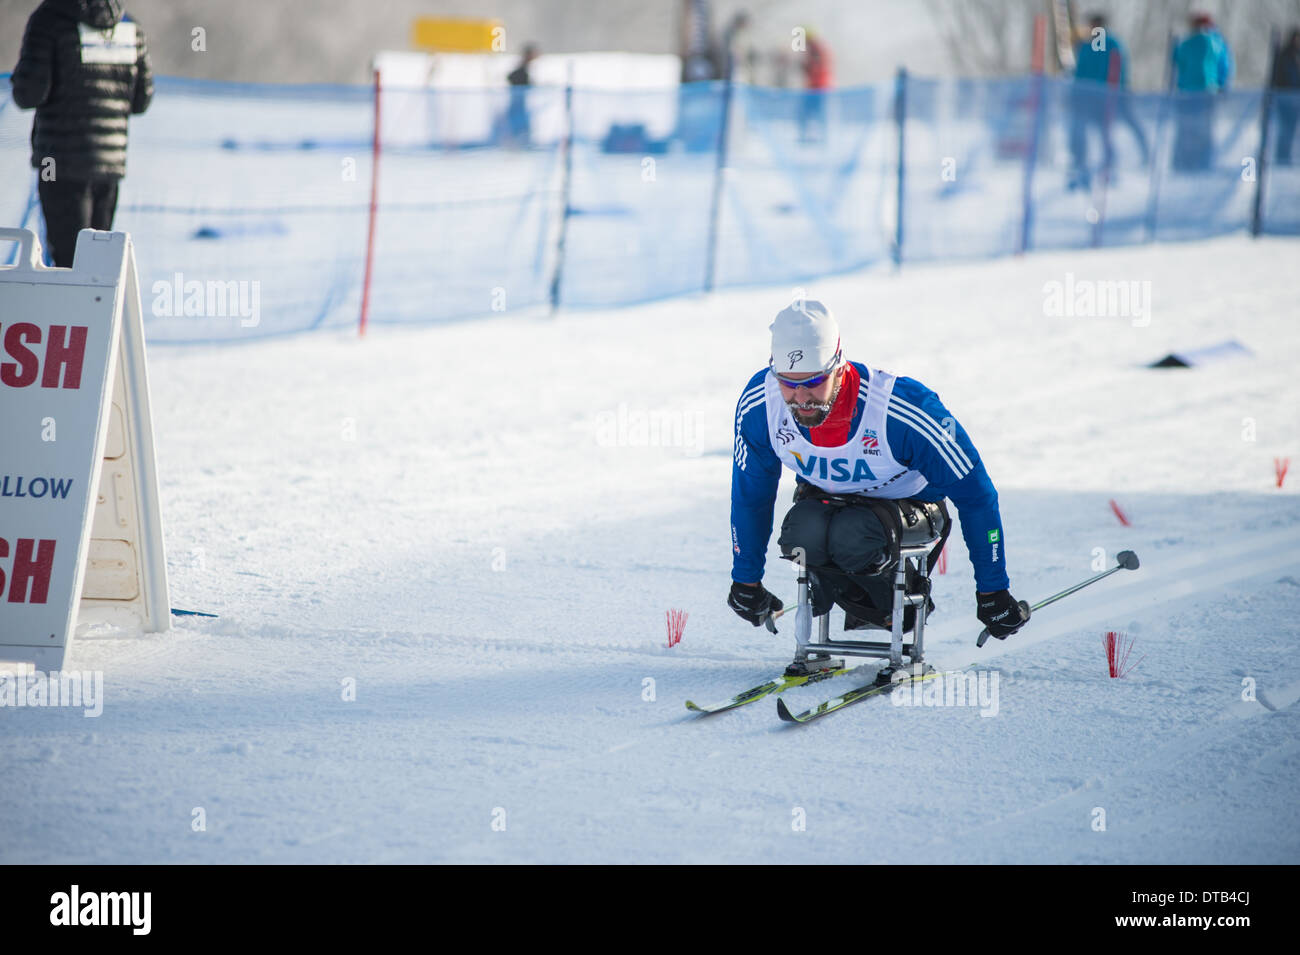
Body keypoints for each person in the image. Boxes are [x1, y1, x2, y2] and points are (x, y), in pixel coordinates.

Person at [727, 301, 1028, 666]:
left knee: (853, 534)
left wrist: (993, 590)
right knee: (800, 532)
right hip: (828, 505)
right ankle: (834, 621)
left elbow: (977, 496)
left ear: (838, 366)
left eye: (813, 383)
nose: (800, 398)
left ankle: (897, 610)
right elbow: (751, 497)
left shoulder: (902, 409)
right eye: (788, 384)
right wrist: (746, 581)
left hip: (912, 505)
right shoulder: (762, 404)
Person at [10, 0, 153, 268]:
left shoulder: (49, 19)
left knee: (67, 265)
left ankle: (65, 310)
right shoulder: (128, 25)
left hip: (58, 165)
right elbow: (141, 101)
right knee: (97, 265)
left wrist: (18, 78)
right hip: (109, 166)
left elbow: (29, 94)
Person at [1068, 14, 1149, 190]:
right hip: (1091, 98)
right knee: (1086, 133)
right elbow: (1083, 70)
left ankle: (1109, 167)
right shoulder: (1091, 45)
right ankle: (1084, 167)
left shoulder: (1103, 41)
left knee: (1104, 134)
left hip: (1105, 97)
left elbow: (1108, 67)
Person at [1170, 13, 1234, 172]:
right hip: (1207, 91)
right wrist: (1222, 85)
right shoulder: (1215, 42)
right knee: (1205, 129)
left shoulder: (1185, 43)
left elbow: (1177, 63)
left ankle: (1183, 162)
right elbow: (1224, 66)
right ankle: (1204, 162)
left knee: (1186, 129)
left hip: (1186, 93)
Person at [797, 27, 832, 143]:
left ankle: (819, 137)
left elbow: (816, 68)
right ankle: (814, 136)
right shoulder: (814, 48)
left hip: (818, 88)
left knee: (812, 113)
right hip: (816, 87)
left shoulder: (816, 49)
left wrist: (805, 67)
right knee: (810, 114)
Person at [1271, 29, 1300, 165]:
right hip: (1284, 99)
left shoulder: (1296, 55)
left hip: (1295, 100)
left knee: (1292, 129)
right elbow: (1279, 76)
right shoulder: (1286, 55)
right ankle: (1281, 156)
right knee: (1285, 128)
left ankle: (1287, 156)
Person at [505, 43, 539, 148]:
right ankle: (515, 145)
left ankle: (520, 144)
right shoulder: (522, 67)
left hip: (520, 102)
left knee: (522, 126)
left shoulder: (526, 67)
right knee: (518, 126)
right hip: (517, 103)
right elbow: (511, 77)